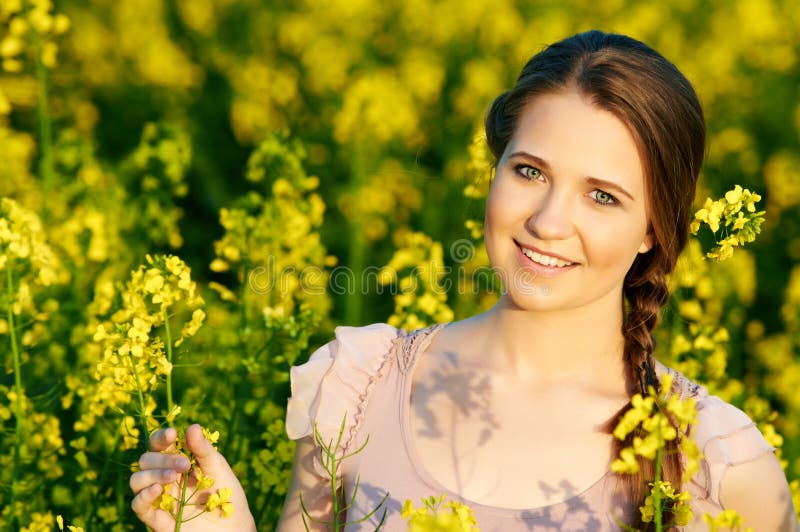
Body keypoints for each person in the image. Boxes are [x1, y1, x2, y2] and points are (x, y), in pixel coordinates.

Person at [129, 30, 799, 531]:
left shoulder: (717, 463)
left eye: (603, 197)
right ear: (494, 169)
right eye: (530, 171)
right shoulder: (357, 385)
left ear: (654, 228)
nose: (547, 221)